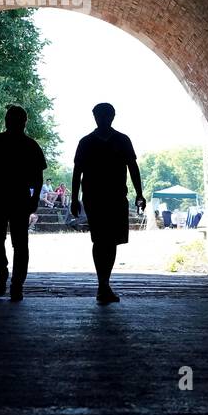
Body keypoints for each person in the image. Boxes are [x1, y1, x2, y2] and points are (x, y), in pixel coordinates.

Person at [70, 102, 146, 304]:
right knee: (103, 240)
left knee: (107, 240)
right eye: (100, 115)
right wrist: (73, 198)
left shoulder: (88, 141)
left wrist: (140, 193)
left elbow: (133, 167)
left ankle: (103, 283)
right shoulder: (118, 140)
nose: (103, 119)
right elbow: (77, 171)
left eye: (105, 115)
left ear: (112, 117)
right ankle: (103, 284)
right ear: (95, 117)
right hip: (101, 198)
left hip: (109, 197)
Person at [0, 105, 47, 302]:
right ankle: (15, 282)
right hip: (19, 196)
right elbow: (39, 176)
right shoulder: (31, 145)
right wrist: (35, 197)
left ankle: (4, 274)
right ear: (25, 122)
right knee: (19, 242)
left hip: (0, 195)